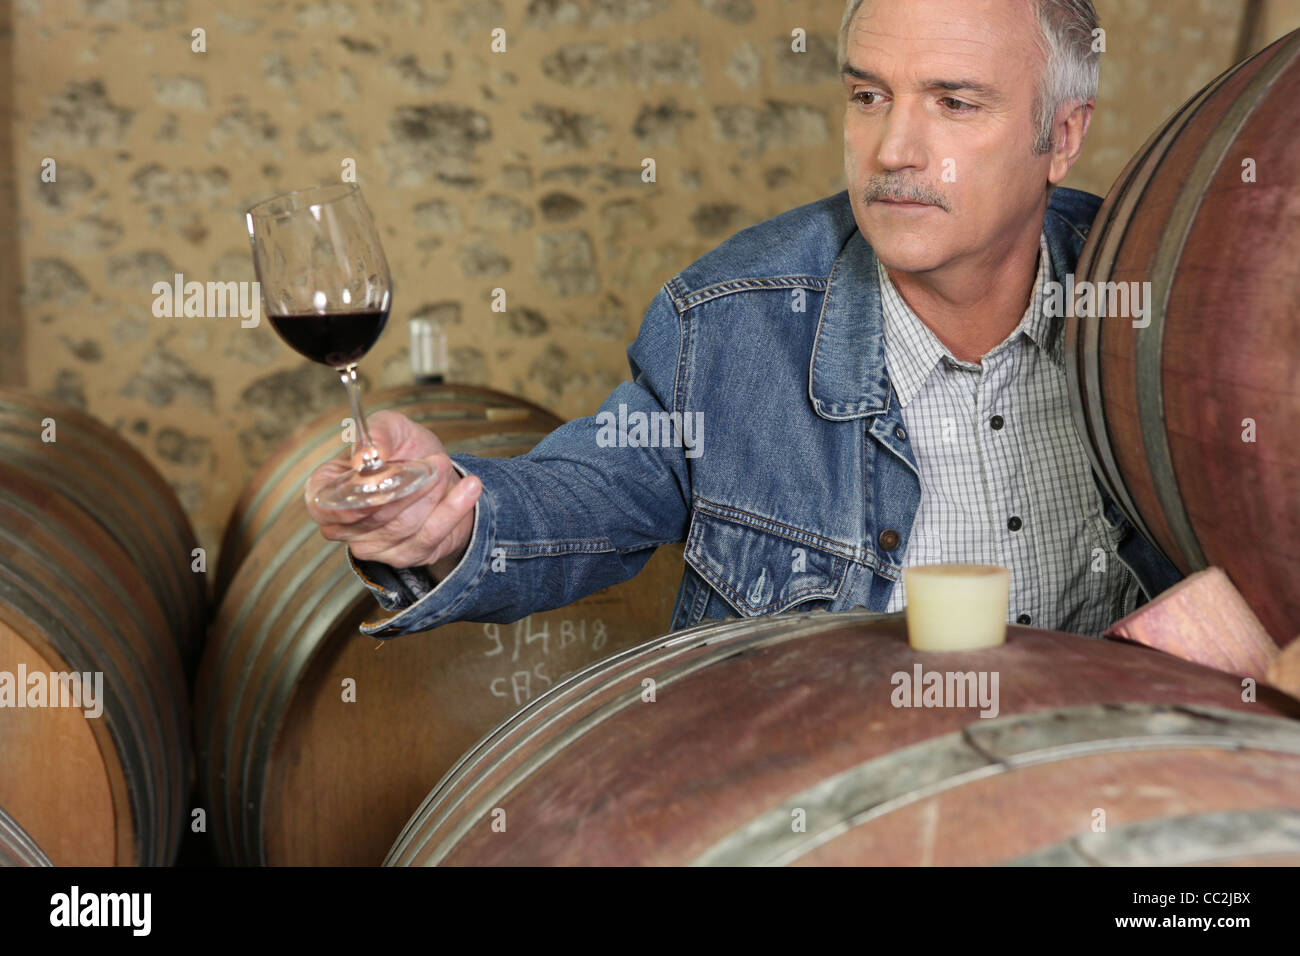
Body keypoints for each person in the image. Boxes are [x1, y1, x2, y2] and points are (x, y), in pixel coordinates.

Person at [305, 0, 1180, 640]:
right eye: (869, 96)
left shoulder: (1163, 306)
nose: (892, 150)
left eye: (954, 103)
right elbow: (592, 492)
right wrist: (450, 518)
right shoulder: (731, 322)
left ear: (1063, 137)